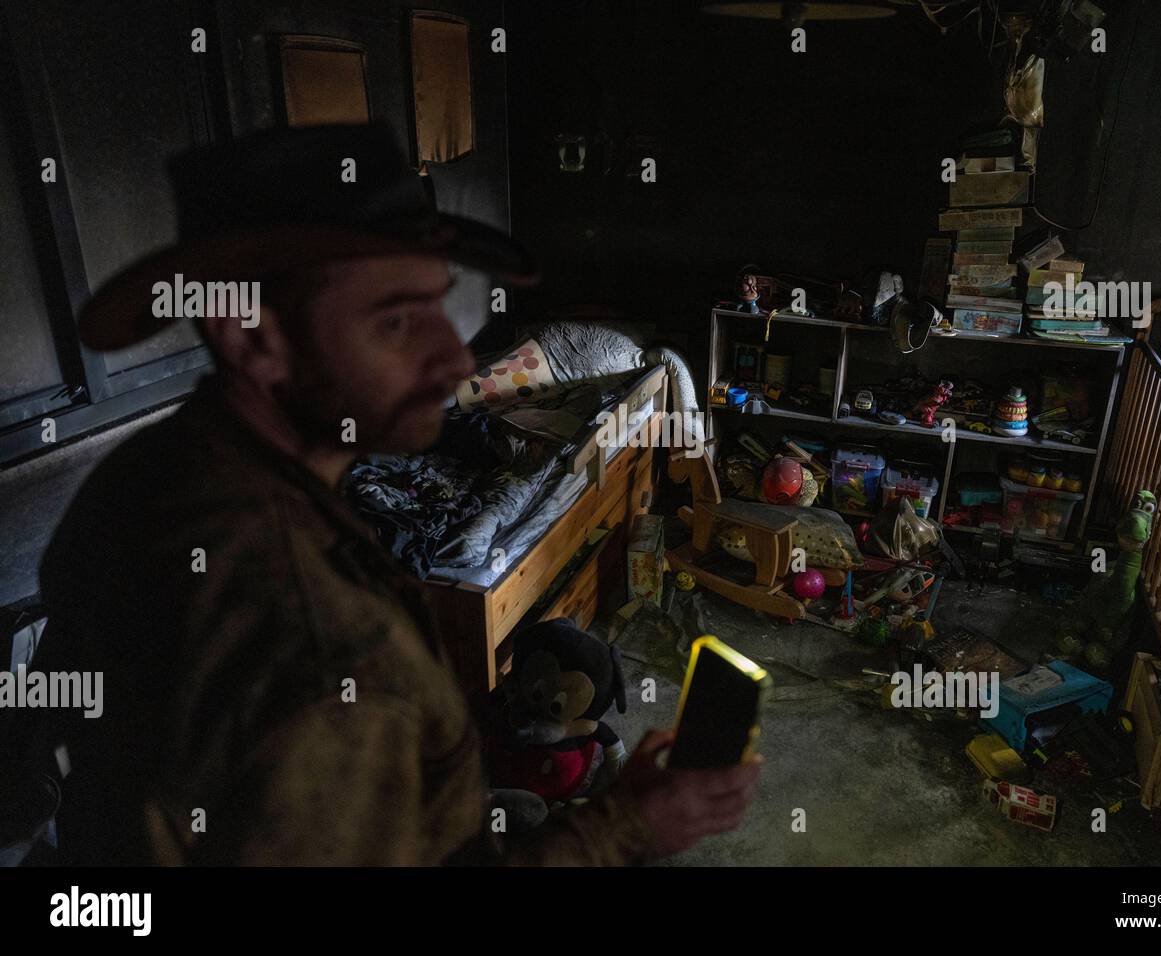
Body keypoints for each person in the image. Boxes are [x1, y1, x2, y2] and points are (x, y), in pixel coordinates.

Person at [33, 124, 759, 865]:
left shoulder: (160, 472)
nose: (451, 357)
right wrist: (620, 829)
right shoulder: (323, 645)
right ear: (253, 337)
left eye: (439, 305)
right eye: (397, 319)